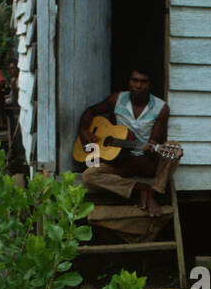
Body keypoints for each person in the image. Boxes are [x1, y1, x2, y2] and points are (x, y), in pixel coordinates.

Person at [76, 65, 182, 218]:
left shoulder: (161, 108)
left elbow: (154, 140)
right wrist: (83, 131)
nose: (138, 85)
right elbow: (91, 111)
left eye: (143, 81)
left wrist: (150, 148)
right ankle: (140, 188)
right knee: (89, 175)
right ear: (129, 81)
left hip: (146, 162)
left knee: (173, 146)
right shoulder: (117, 99)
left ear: (150, 84)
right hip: (121, 162)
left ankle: (154, 192)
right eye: (135, 80)